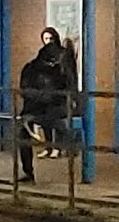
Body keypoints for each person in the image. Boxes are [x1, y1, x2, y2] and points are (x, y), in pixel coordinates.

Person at [15, 27, 78, 182]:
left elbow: (68, 87)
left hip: (47, 108)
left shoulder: (47, 66)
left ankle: (29, 170)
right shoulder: (52, 65)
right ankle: (31, 169)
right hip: (46, 107)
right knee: (27, 129)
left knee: (26, 128)